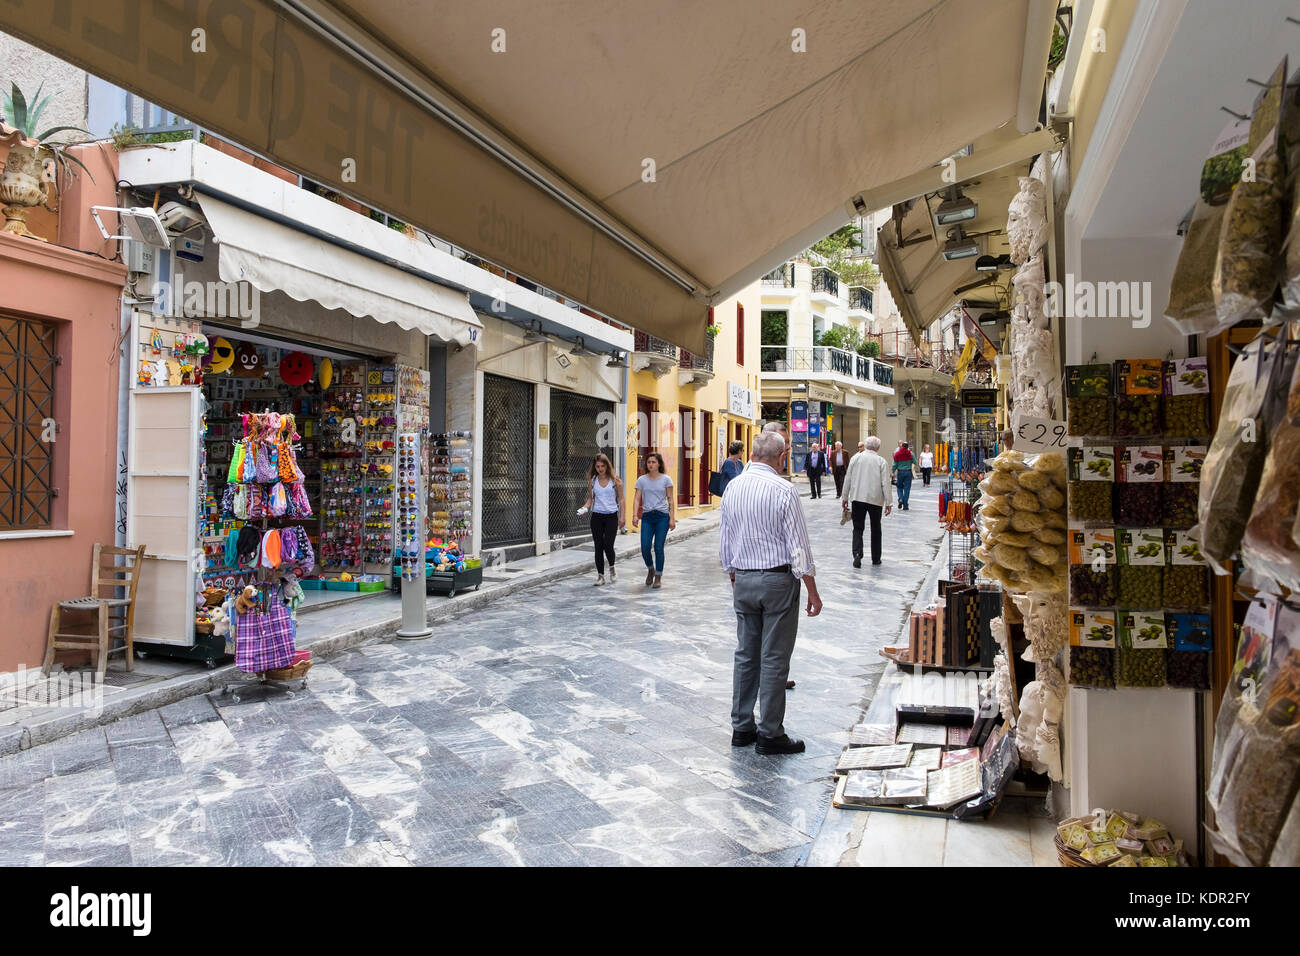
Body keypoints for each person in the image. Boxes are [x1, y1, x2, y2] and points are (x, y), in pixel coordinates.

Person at [719, 430, 822, 755]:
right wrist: (813, 591)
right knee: (774, 658)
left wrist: (735, 577)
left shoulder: (733, 487)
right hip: (777, 582)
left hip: (744, 579)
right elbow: (799, 548)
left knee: (745, 655)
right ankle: (770, 733)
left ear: (751, 455)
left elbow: (725, 541)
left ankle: (741, 727)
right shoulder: (784, 489)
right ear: (781, 458)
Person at [842, 436, 892, 567]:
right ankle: (876, 558)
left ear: (865, 445)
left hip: (858, 497)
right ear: (878, 447)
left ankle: (857, 554)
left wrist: (845, 497)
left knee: (858, 528)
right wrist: (889, 502)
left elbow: (848, 478)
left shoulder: (855, 458)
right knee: (876, 528)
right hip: (875, 499)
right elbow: (886, 483)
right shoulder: (881, 461)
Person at [633, 452, 675, 588]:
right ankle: (650, 569)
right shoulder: (641, 480)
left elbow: (671, 499)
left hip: (662, 516)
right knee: (645, 547)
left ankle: (658, 575)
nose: (650, 464)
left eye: (653, 462)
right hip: (647, 517)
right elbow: (637, 498)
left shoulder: (666, 480)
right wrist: (635, 515)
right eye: (649, 462)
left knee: (658, 547)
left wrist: (672, 518)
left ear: (659, 464)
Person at [582, 453, 624, 585]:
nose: (600, 469)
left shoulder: (615, 481)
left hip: (611, 515)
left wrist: (623, 516)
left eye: (602, 466)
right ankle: (600, 576)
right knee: (598, 546)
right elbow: (590, 498)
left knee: (608, 545)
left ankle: (612, 568)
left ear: (607, 466)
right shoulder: (592, 481)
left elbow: (621, 499)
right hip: (597, 516)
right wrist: (584, 507)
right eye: (598, 466)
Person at [893, 441, 915, 510]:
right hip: (908, 472)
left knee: (899, 487)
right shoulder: (911, 454)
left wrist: (893, 471)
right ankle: (905, 505)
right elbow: (915, 462)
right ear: (907, 447)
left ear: (902, 446)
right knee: (907, 489)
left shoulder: (897, 454)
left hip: (900, 472)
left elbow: (895, 464)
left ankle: (900, 498)